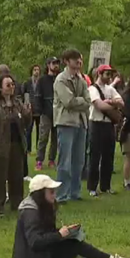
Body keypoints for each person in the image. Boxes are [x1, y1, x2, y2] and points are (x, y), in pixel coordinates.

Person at [12, 175, 130, 258]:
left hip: (38, 254)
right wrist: (59, 235)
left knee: (75, 244)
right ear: (40, 194)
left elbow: (43, 233)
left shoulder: (40, 206)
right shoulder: (30, 212)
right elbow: (35, 242)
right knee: (76, 246)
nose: (54, 195)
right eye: (51, 192)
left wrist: (64, 232)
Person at [0, 74, 32, 217]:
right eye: (8, 85)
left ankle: (17, 203)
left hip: (17, 144)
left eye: (12, 84)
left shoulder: (17, 103)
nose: (12, 87)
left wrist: (28, 113)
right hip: (0, 146)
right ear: (0, 88)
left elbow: (25, 123)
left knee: (17, 176)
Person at [53, 49, 90, 203]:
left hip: (81, 122)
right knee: (65, 161)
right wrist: (80, 101)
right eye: (75, 59)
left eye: (79, 59)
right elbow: (68, 101)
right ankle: (61, 194)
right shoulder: (60, 80)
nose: (78, 62)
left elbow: (88, 101)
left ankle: (75, 192)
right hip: (66, 122)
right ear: (66, 61)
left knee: (79, 160)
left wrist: (79, 101)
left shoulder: (81, 80)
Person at [86, 64, 123, 197]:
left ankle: (105, 186)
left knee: (109, 156)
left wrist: (110, 101)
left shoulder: (110, 89)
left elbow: (121, 102)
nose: (109, 77)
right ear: (99, 74)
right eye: (107, 74)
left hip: (108, 125)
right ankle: (92, 187)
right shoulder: (92, 89)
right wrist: (112, 104)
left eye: (111, 74)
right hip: (96, 124)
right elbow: (98, 105)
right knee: (95, 156)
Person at [35, 57, 60, 170]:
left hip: (58, 113)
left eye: (57, 63)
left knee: (55, 138)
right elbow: (38, 96)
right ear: (48, 65)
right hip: (46, 112)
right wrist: (40, 110)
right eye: (53, 63)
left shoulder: (59, 79)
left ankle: (51, 160)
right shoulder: (42, 80)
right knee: (43, 137)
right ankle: (39, 160)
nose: (56, 66)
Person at [23, 65, 42, 155]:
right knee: (28, 130)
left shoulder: (41, 82)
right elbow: (25, 93)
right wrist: (27, 104)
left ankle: (39, 148)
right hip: (30, 110)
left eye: (38, 70)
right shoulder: (27, 82)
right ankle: (28, 149)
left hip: (39, 109)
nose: (36, 72)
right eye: (35, 70)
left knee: (40, 130)